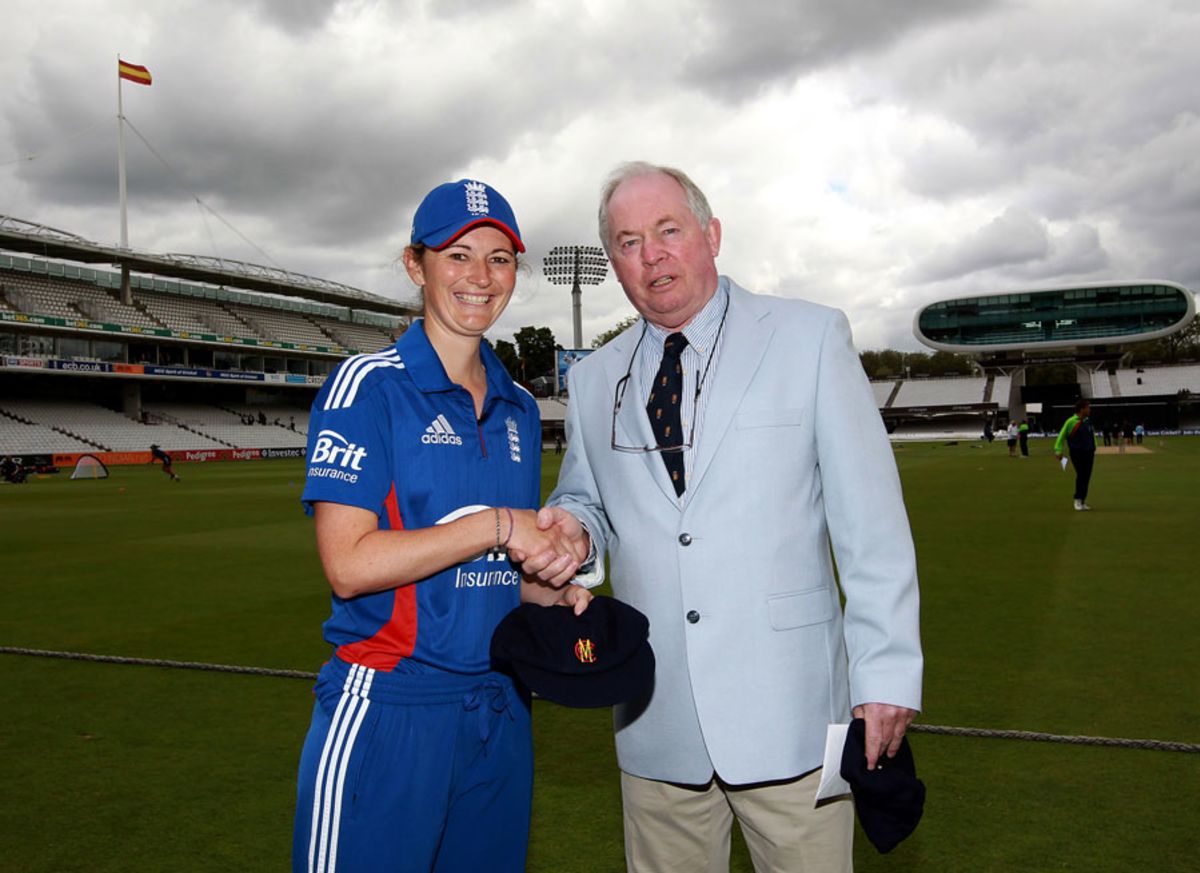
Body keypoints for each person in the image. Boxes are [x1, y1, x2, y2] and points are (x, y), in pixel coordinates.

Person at [521, 163, 922, 871]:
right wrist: (574, 530)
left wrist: (885, 672)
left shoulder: (809, 337)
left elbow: (873, 525)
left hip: (791, 716)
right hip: (655, 720)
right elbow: (587, 499)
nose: (652, 255)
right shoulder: (592, 379)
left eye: (668, 231)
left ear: (710, 234)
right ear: (614, 261)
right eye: (628, 242)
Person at [292, 179, 591, 873]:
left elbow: (495, 574)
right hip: (390, 705)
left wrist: (551, 589)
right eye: (458, 255)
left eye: (499, 258)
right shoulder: (368, 387)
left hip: (501, 709)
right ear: (415, 265)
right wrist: (498, 524)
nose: (480, 276)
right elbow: (349, 565)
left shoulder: (519, 406)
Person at [1054, 399, 1097, 511]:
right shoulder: (1071, 421)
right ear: (1082, 409)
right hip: (1077, 452)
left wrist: (1094, 446)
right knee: (1081, 474)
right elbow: (1061, 436)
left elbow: (1091, 435)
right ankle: (1077, 499)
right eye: (1088, 408)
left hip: (1089, 452)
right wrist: (1058, 450)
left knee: (1086, 476)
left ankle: (1082, 501)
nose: (1090, 410)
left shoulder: (1088, 421)